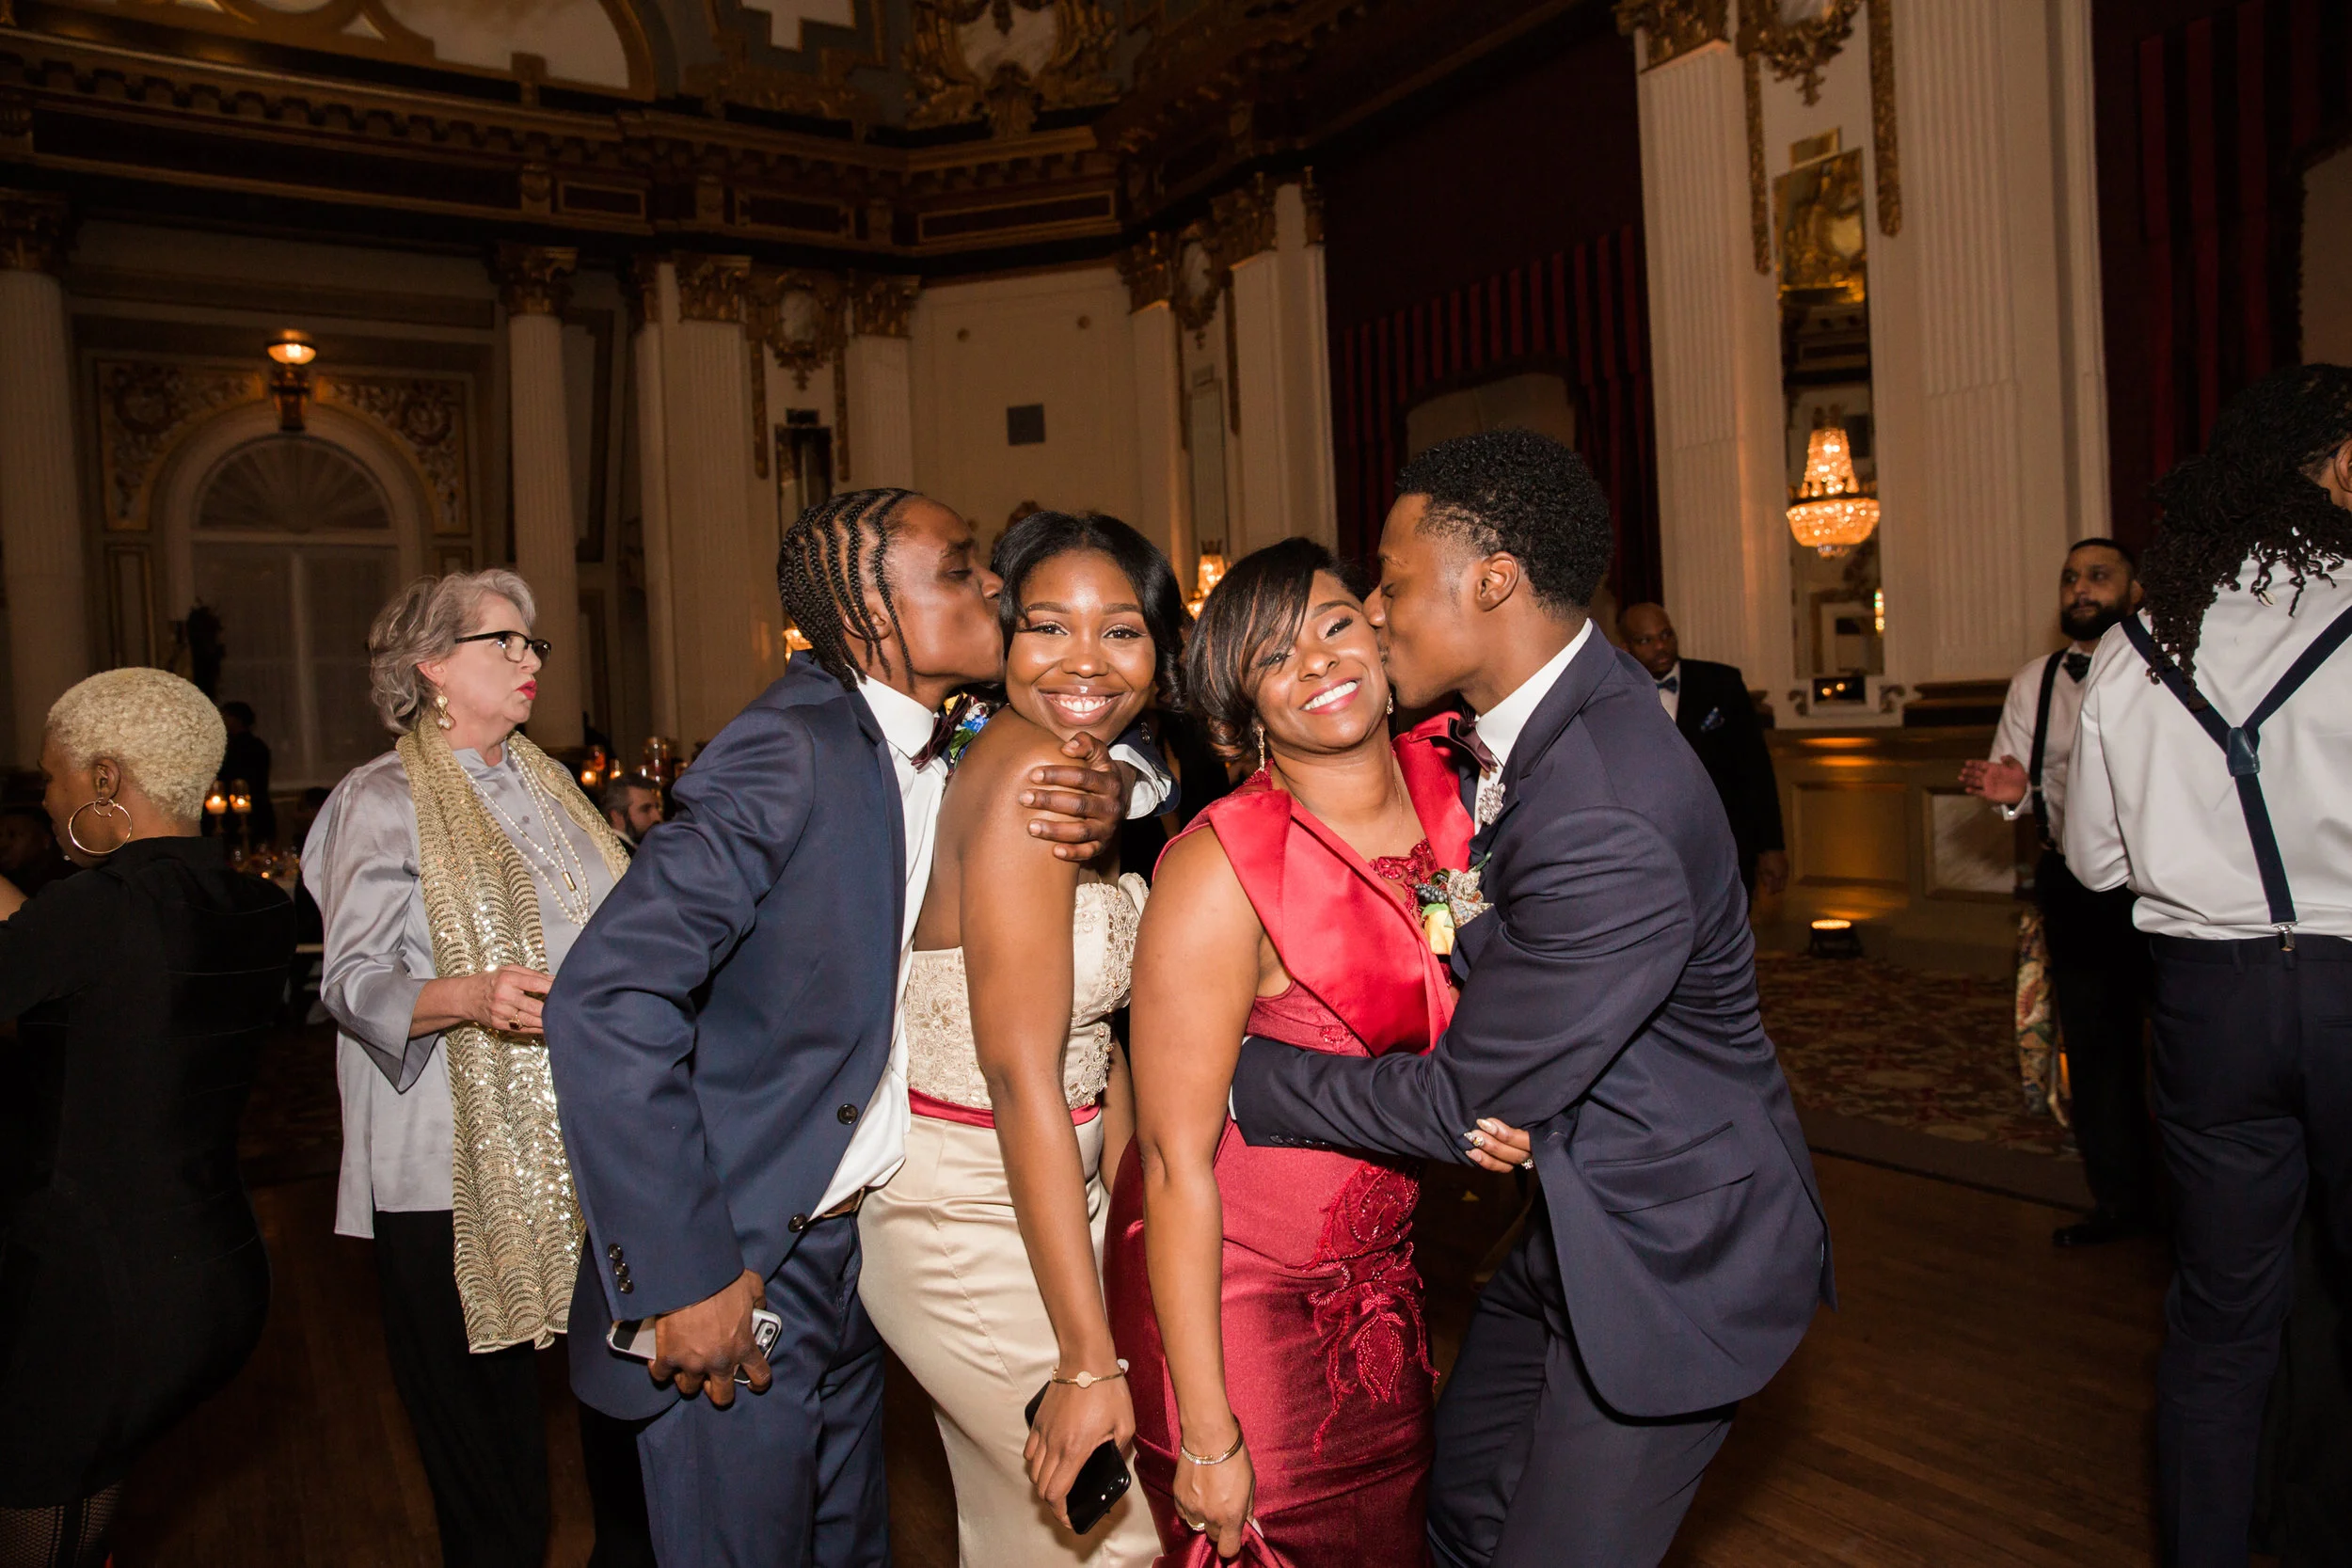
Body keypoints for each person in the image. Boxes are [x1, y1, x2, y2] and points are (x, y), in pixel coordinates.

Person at [1227, 431, 1832, 1568]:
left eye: (1393, 581)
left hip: (1673, 1251)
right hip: (1573, 1216)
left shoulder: (1604, 803)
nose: (1373, 605)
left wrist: (1240, 1067)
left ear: (1491, 579)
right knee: (1456, 1508)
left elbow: (1464, 1097)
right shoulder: (1526, 727)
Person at [545, 488, 1165, 1568]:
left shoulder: (938, 735)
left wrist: (1116, 782)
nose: (991, 587)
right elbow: (606, 993)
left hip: (843, 1239)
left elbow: (1077, 733)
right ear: (875, 614)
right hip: (736, 1260)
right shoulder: (785, 747)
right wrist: (686, 1271)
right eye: (962, 568)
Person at [1108, 537, 1494, 1562]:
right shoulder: (1222, 866)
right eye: (1276, 656)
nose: (1318, 661)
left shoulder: (1466, 793)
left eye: (1332, 625)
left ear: (1377, 626)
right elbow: (1172, 1158)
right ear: (1241, 709)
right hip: (1236, 1298)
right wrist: (1207, 1427)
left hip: (1385, 1282)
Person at [303, 570, 652, 1568]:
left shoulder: (549, 785)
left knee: (623, 1400)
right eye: (505, 641)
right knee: (485, 1454)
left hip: (586, 1134)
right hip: (445, 1160)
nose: (532, 658)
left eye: (534, 643)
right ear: (432, 668)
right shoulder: (379, 798)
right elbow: (353, 981)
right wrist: (470, 994)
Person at [2064, 363, 2352, 1568]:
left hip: (2205, 1004)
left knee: (2221, 1325)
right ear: (2331, 467)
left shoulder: (2136, 645)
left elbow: (2090, 860)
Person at [860, 511, 1185, 1564]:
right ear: (1001, 630)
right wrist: (1089, 1358)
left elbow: (1094, 1036)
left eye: (1122, 631)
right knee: (1115, 1534)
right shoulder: (1030, 780)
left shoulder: (1070, 760)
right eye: (1048, 625)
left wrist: (1129, 1200)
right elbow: (1019, 1075)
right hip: (966, 1208)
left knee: (1022, 1536)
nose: (1084, 659)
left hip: (1040, 1188)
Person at [0, 669, 294, 1568]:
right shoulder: (257, 906)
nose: (44, 800)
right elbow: (66, 960)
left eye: (52, 777)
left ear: (104, 780)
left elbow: (52, 947)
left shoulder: (92, 915)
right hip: (208, 1275)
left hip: (96, 1286)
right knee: (86, 1502)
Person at [1960, 539, 2157, 1247]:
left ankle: (2198, 1206)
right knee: (2098, 1051)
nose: (2080, 588)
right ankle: (2121, 1203)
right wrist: (2017, 793)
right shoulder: (2034, 681)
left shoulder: (2170, 666)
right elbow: (2015, 780)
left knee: (2178, 1048)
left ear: (2135, 592)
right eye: (2071, 577)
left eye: (2098, 576)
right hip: (2072, 885)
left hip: (2160, 886)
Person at [1618, 603, 1788, 899]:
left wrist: (1771, 846)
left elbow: (1755, 768)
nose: (1661, 646)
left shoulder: (1722, 684)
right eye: (1646, 640)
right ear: (1627, 647)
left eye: (1666, 634)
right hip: (1649, 859)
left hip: (1725, 848)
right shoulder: (1615, 695)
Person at [217, 700, 278, 846]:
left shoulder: (245, 748)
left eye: (225, 716)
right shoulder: (249, 746)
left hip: (249, 812)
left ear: (236, 719)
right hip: (249, 810)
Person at [597, 773, 663, 850]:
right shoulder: (621, 857)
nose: (658, 817)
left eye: (657, 808)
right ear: (617, 816)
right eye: (645, 809)